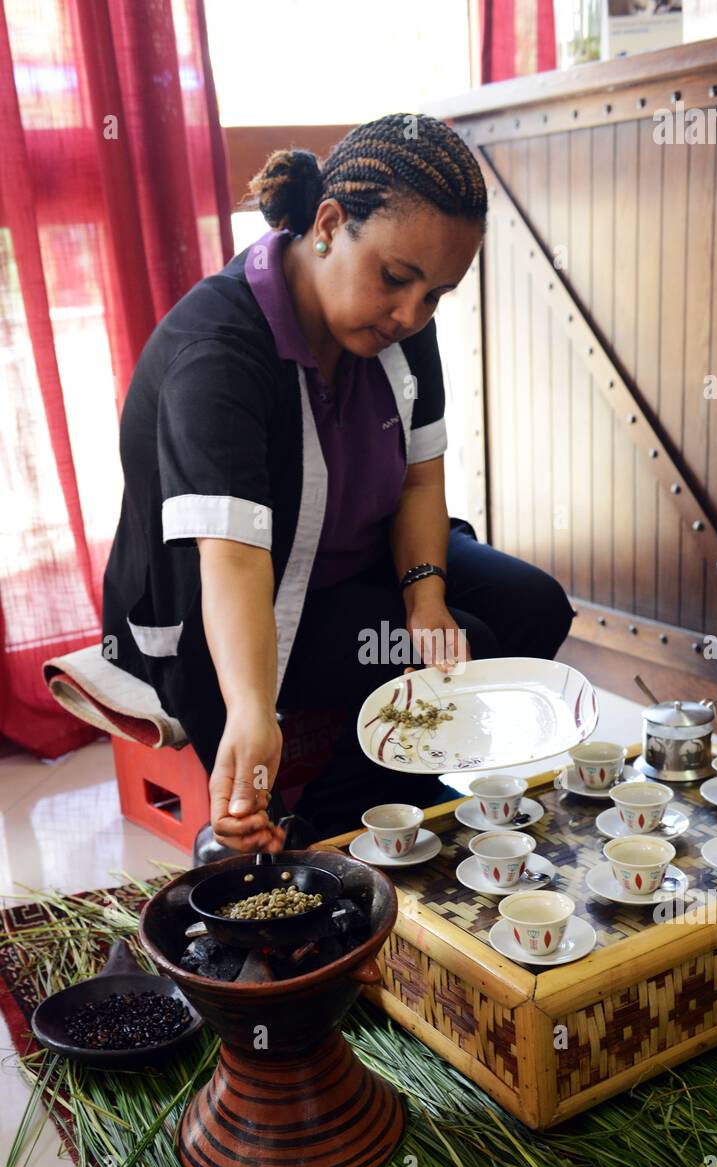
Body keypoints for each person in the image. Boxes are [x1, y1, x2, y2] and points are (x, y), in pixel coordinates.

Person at [102, 113, 575, 854]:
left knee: (532, 606)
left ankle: (371, 800)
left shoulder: (399, 326)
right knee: (463, 652)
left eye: (436, 295)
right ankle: (331, 835)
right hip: (226, 605)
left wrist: (423, 596)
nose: (411, 314)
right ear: (327, 223)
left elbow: (420, 482)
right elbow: (230, 560)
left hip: (349, 561)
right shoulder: (218, 350)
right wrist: (252, 712)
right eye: (395, 279)